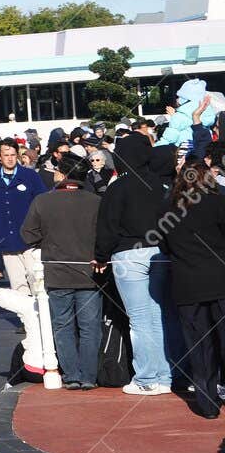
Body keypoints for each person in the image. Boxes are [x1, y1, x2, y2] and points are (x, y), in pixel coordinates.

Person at [93, 133, 178, 396]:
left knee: (139, 320)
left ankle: (145, 378)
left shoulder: (119, 187)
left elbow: (107, 226)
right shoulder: (164, 186)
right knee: (159, 317)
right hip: (161, 253)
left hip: (128, 254)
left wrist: (100, 254)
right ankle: (166, 375)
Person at [21, 154, 103, 390]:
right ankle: (88, 375)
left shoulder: (43, 201)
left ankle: (72, 375)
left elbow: (28, 235)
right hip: (89, 272)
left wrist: (47, 240)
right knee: (90, 327)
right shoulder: (95, 201)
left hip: (57, 271)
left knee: (63, 325)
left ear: (62, 174)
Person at [0, 139, 57, 386]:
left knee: (38, 281)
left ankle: (43, 316)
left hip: (31, 240)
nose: (10, 158)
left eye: (14, 154)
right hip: (6, 241)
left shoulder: (30, 176)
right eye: (6, 154)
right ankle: (28, 322)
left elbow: (42, 203)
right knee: (18, 285)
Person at [156, 162, 225, 418]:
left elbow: (164, 246)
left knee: (200, 346)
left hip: (187, 283)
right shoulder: (218, 203)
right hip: (219, 280)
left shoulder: (167, 209)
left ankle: (207, 404)